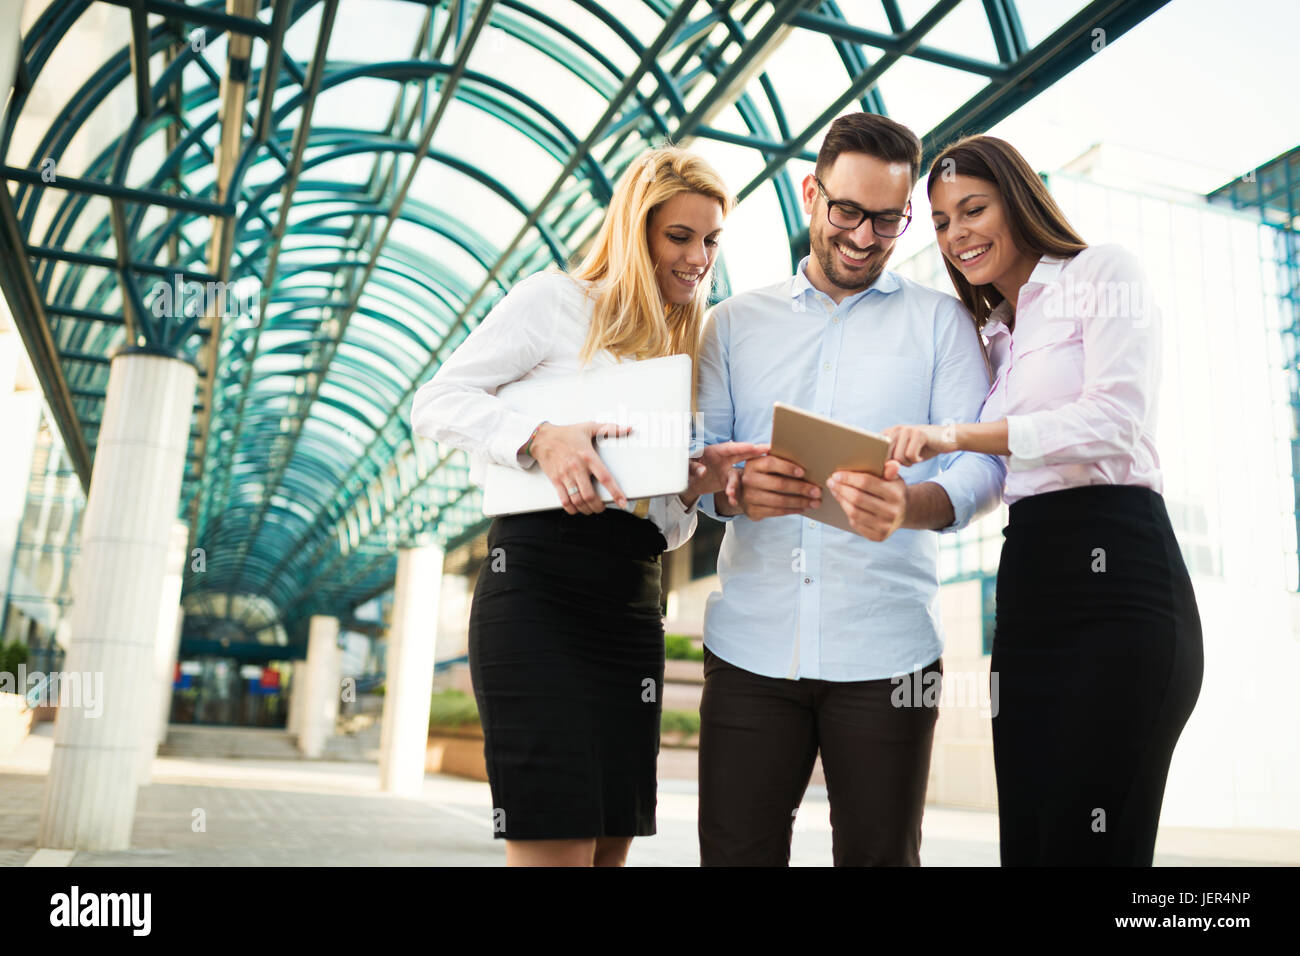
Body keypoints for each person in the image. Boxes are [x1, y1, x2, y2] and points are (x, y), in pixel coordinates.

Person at [410, 146, 766, 867]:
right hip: (541, 589)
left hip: (632, 600)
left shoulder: (684, 347)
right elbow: (435, 402)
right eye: (679, 236)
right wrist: (538, 438)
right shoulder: (555, 302)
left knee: (608, 843)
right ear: (636, 232)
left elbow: (663, 523)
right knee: (559, 839)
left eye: (711, 240)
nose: (699, 258)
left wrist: (691, 481)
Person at [693, 113, 1006, 866]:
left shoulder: (942, 323)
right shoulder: (731, 324)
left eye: (889, 221)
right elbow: (697, 465)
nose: (865, 237)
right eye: (847, 212)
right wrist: (733, 489)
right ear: (811, 193)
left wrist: (910, 505)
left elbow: (983, 465)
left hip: (890, 654)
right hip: (750, 653)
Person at [883, 134, 1204, 866]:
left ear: (1017, 200)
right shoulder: (993, 336)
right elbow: (995, 473)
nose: (957, 234)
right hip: (1029, 582)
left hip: (1118, 578)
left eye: (973, 209)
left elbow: (1115, 419)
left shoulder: (1102, 274)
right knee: (1028, 838)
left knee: (1091, 841)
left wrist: (955, 431)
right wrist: (893, 493)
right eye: (939, 221)